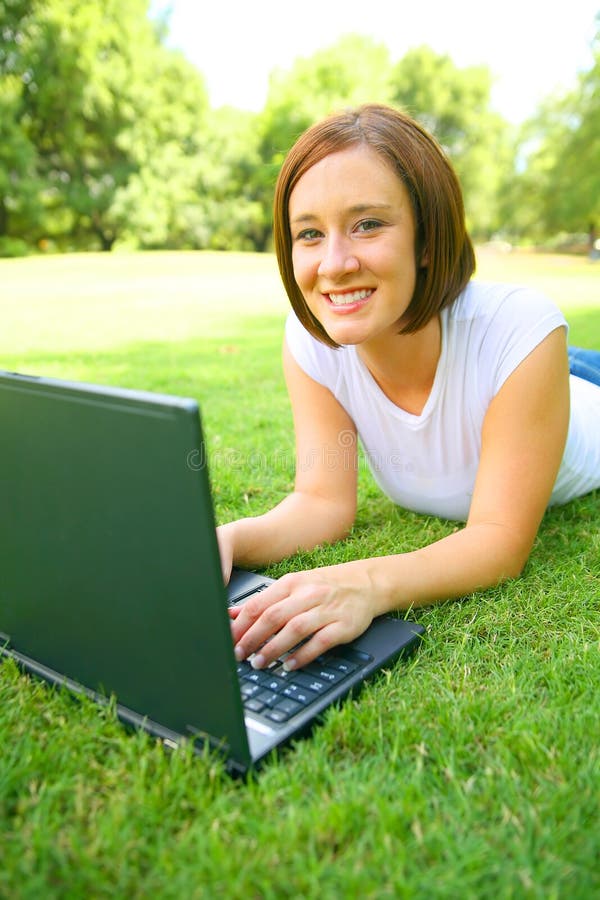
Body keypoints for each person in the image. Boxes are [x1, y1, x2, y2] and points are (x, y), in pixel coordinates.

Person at [217, 103, 600, 673]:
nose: (334, 263)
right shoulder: (311, 340)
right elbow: (321, 502)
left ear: (427, 237)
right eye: (310, 234)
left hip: (566, 379)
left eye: (368, 224)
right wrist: (226, 539)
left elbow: (498, 538)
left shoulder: (522, 328)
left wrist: (365, 583)